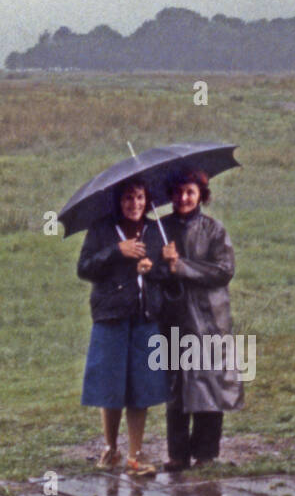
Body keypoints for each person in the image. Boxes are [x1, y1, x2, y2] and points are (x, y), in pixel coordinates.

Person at [76, 178, 171, 476]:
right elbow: (84, 268)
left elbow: (165, 274)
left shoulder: (155, 230)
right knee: (111, 385)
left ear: (147, 199)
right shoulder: (102, 229)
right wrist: (117, 251)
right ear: (119, 200)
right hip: (111, 316)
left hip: (145, 316)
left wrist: (155, 268)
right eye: (129, 198)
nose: (135, 204)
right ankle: (110, 448)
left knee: (141, 387)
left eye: (140, 197)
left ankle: (135, 455)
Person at [158, 170, 243, 471]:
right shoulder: (160, 229)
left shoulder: (214, 230)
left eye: (190, 192)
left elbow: (224, 270)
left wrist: (181, 266)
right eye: (179, 192)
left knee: (209, 384)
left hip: (209, 319)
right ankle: (177, 455)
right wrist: (162, 264)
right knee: (176, 388)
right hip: (172, 319)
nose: (183, 198)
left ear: (201, 195)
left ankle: (206, 454)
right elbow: (153, 272)